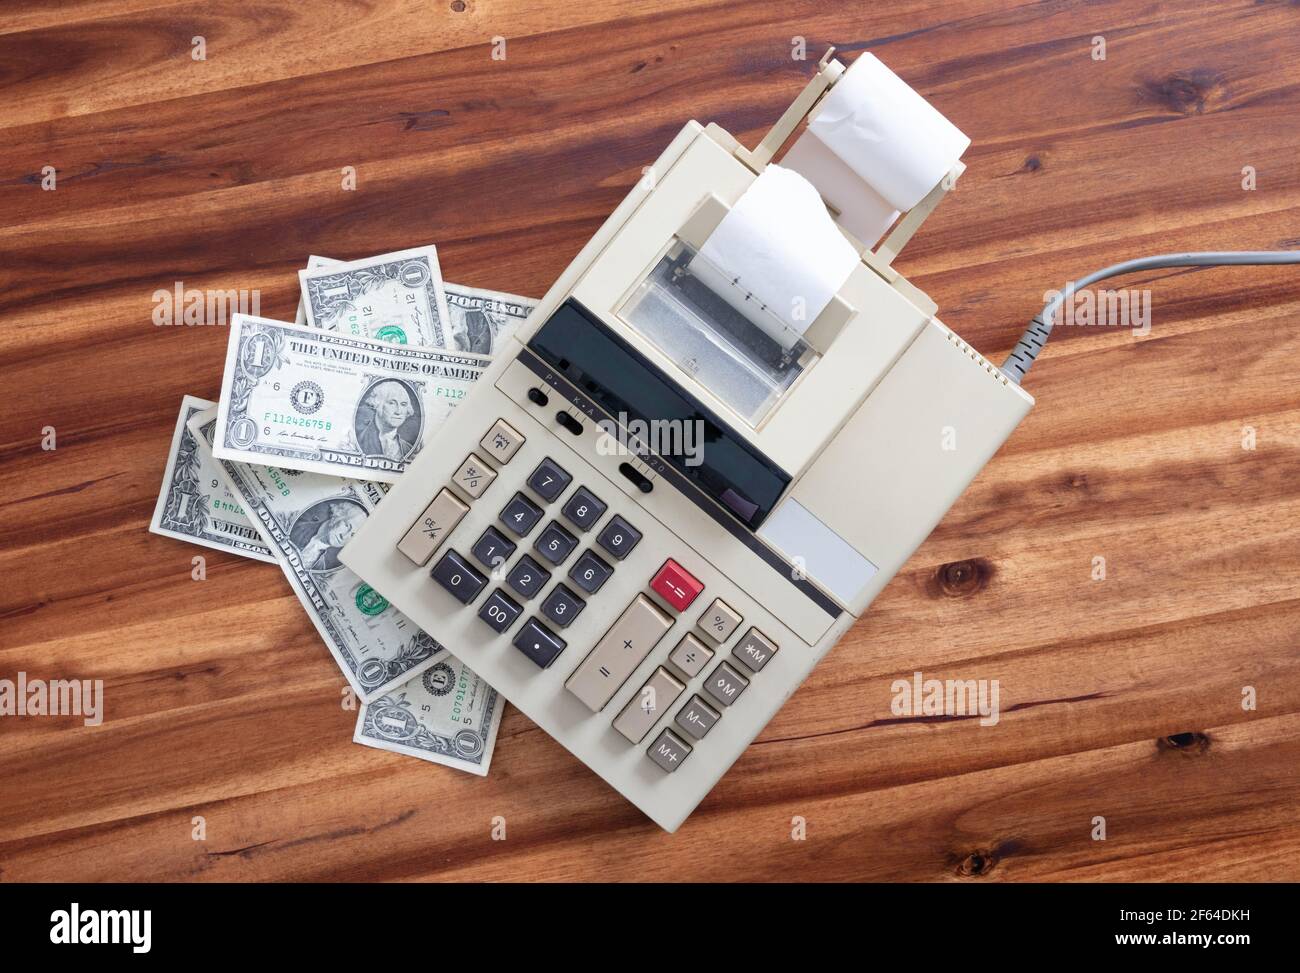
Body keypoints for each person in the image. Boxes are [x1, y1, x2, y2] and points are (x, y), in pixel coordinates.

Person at [356, 381, 416, 460]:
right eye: (392, 403)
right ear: (377, 404)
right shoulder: (357, 441)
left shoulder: (408, 449)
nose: (398, 411)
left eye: (403, 404)